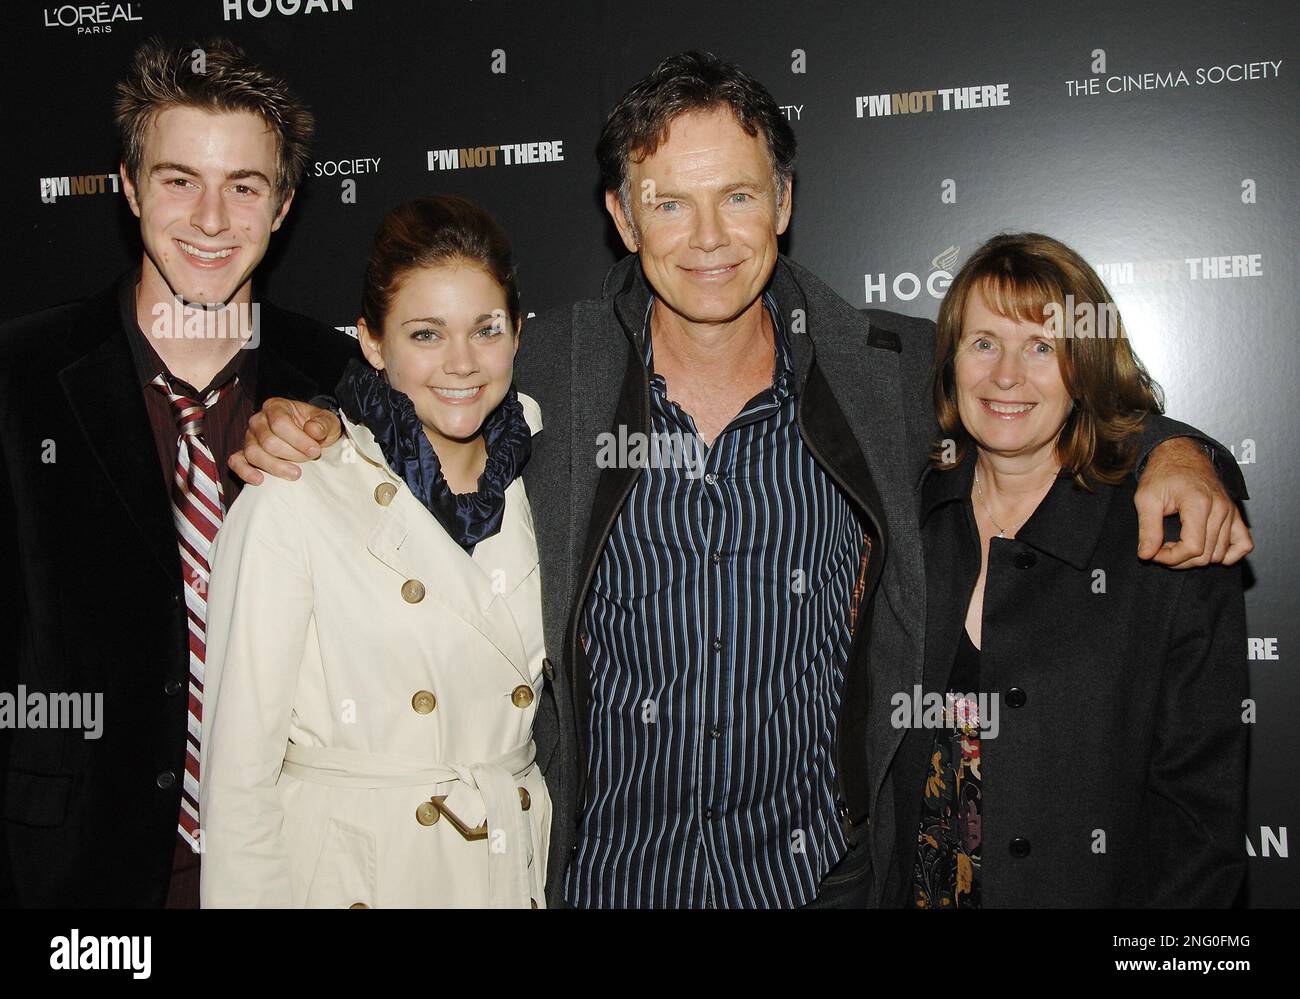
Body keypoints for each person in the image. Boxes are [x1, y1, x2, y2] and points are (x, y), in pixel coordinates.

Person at [231, 52, 1251, 908]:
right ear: (622, 217)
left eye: (737, 196)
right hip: (604, 883)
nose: (709, 238)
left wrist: (1179, 451)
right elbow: (415, 380)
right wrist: (311, 412)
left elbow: (1035, 387)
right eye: (669, 203)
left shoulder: (882, 374)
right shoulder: (544, 369)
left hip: (819, 884)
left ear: (784, 202)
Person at [0, 38, 355, 907]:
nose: (211, 218)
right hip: (69, 877)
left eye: (245, 186)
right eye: (178, 179)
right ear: (128, 187)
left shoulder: (345, 382)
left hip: (294, 870)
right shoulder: (17, 378)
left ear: (284, 205)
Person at [199, 196, 549, 908]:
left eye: (485, 329)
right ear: (372, 342)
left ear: (517, 333)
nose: (461, 362)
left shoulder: (551, 480)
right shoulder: (291, 494)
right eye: (425, 334)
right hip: (359, 876)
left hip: (507, 873)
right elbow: (237, 785)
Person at [891, 233, 1247, 907]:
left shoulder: (1163, 537)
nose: (1006, 375)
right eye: (984, 342)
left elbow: (1199, 817)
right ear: (951, 362)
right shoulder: (907, 509)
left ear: (1084, 368)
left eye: (1041, 348)